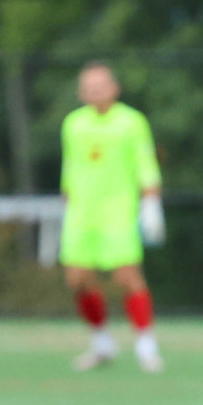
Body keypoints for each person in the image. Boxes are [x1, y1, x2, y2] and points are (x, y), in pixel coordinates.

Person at [60, 62, 165, 373]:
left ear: (114, 88)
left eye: (101, 85)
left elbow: (146, 164)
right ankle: (102, 342)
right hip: (81, 213)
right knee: (77, 279)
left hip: (118, 212)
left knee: (127, 277)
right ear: (81, 92)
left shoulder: (131, 122)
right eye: (89, 86)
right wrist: (66, 203)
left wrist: (151, 205)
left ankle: (147, 346)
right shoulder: (73, 124)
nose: (95, 91)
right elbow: (70, 168)